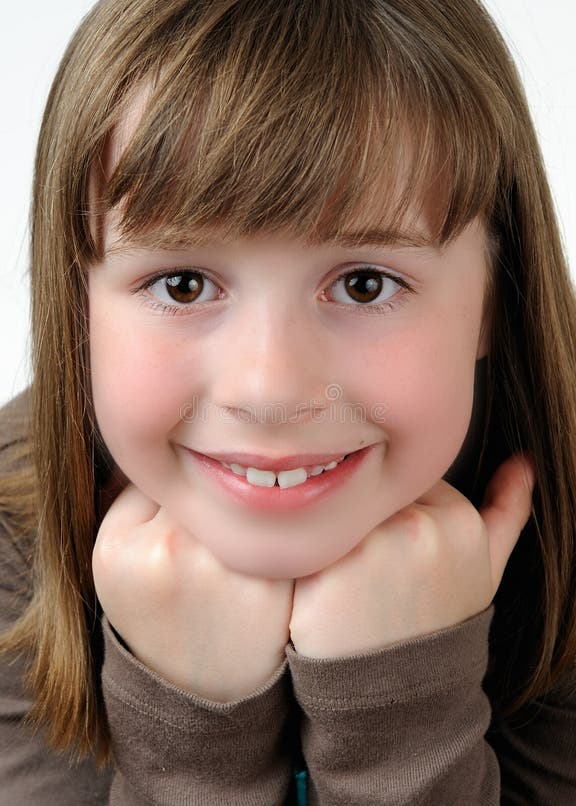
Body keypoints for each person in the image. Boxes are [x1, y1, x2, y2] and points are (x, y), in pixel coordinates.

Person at [1, 0, 576, 802]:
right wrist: (196, 750)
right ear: (79, 304)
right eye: (184, 282)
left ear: (493, 300)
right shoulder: (10, 534)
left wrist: (399, 717)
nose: (269, 390)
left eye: (364, 283)